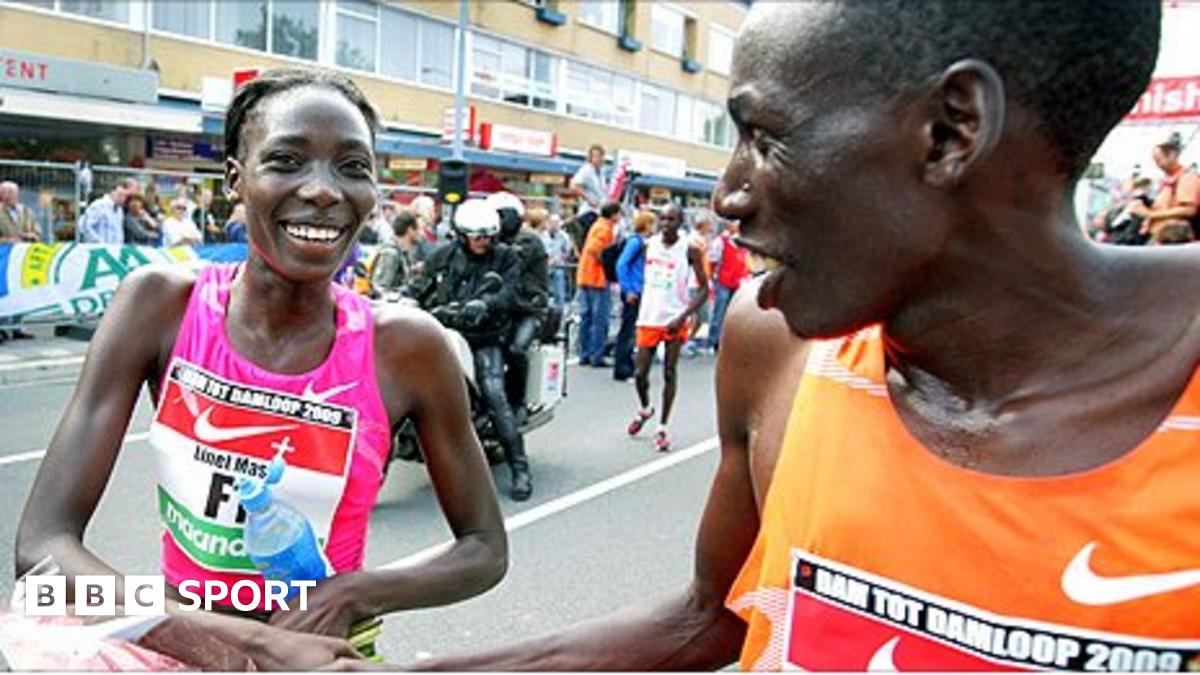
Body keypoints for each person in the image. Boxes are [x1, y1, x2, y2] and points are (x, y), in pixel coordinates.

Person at [389, 1, 1200, 671]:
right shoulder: (774, 345)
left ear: (952, 131)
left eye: (765, 138)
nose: (729, 194)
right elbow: (715, 617)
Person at [16, 68, 506, 666]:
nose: (324, 190)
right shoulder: (158, 306)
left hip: (323, 658)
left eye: (353, 167)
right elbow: (42, 554)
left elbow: (484, 548)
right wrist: (241, 640)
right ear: (235, 180)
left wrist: (353, 591)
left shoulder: (407, 345)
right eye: (286, 161)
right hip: (179, 642)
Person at [415, 199, 532, 501]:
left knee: (494, 394)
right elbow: (419, 284)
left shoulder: (504, 257)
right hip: (442, 333)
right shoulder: (443, 256)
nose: (484, 242)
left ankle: (520, 468)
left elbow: (509, 292)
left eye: (488, 236)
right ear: (461, 235)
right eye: (477, 236)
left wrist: (486, 305)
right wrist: (403, 298)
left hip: (484, 336)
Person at [626, 204, 707, 452]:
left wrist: (683, 316)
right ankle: (645, 409)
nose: (665, 224)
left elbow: (704, 290)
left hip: (674, 319)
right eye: (662, 219)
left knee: (669, 372)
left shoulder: (690, 250)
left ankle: (662, 428)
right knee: (640, 374)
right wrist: (631, 288)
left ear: (680, 222)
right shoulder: (648, 244)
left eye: (671, 219)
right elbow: (623, 264)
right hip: (649, 317)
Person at [487, 192, 550, 415]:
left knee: (515, 349)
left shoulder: (528, 241)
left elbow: (508, 265)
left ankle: (518, 400)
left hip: (527, 309)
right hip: (500, 307)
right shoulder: (490, 241)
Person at [1131, 132, 1199, 244]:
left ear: (1172, 156)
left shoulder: (1187, 177)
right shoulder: (1167, 180)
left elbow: (1188, 210)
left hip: (1174, 237)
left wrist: (1149, 213)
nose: (1158, 164)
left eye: (1159, 159)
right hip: (1159, 234)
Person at [613, 210, 657, 381]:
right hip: (634, 290)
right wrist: (628, 288)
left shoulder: (640, 242)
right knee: (628, 329)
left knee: (632, 329)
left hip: (637, 289)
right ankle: (622, 367)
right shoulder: (635, 242)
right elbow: (622, 264)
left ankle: (627, 364)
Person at [575, 201, 620, 367]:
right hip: (598, 277)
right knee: (599, 318)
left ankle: (584, 353)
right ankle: (596, 355)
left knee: (586, 317)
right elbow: (596, 248)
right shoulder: (605, 228)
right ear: (614, 214)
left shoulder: (596, 225)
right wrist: (607, 262)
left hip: (585, 275)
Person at [706, 219, 748, 352]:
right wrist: (712, 278)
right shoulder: (720, 241)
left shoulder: (743, 241)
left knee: (734, 313)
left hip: (738, 281)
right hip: (723, 281)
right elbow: (713, 260)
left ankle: (730, 340)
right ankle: (714, 341)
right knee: (719, 312)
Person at [370, 210, 430, 296]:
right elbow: (381, 288)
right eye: (417, 229)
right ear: (410, 230)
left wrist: (414, 270)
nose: (420, 233)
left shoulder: (403, 252)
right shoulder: (391, 253)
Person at [684, 211, 716, 357]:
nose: (712, 227)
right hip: (694, 282)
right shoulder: (694, 240)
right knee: (694, 313)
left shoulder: (701, 240)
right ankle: (685, 341)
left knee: (699, 315)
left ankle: (687, 340)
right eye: (710, 224)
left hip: (701, 281)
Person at [78, 178, 138, 243]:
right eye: (129, 197)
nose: (130, 201)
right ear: (120, 189)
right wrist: (98, 243)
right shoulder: (99, 205)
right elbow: (83, 226)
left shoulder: (119, 210)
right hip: (99, 250)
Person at [538, 211, 574, 310]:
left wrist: (560, 258)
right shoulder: (542, 236)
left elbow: (568, 251)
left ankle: (560, 310)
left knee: (559, 287)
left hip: (559, 265)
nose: (554, 225)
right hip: (546, 265)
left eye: (557, 223)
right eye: (552, 223)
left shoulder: (564, 236)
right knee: (545, 289)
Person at [569, 144, 608, 231]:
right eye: (595, 156)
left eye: (600, 156)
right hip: (588, 212)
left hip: (600, 212)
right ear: (590, 158)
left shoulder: (602, 172)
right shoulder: (586, 170)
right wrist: (588, 198)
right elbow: (573, 186)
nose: (598, 159)